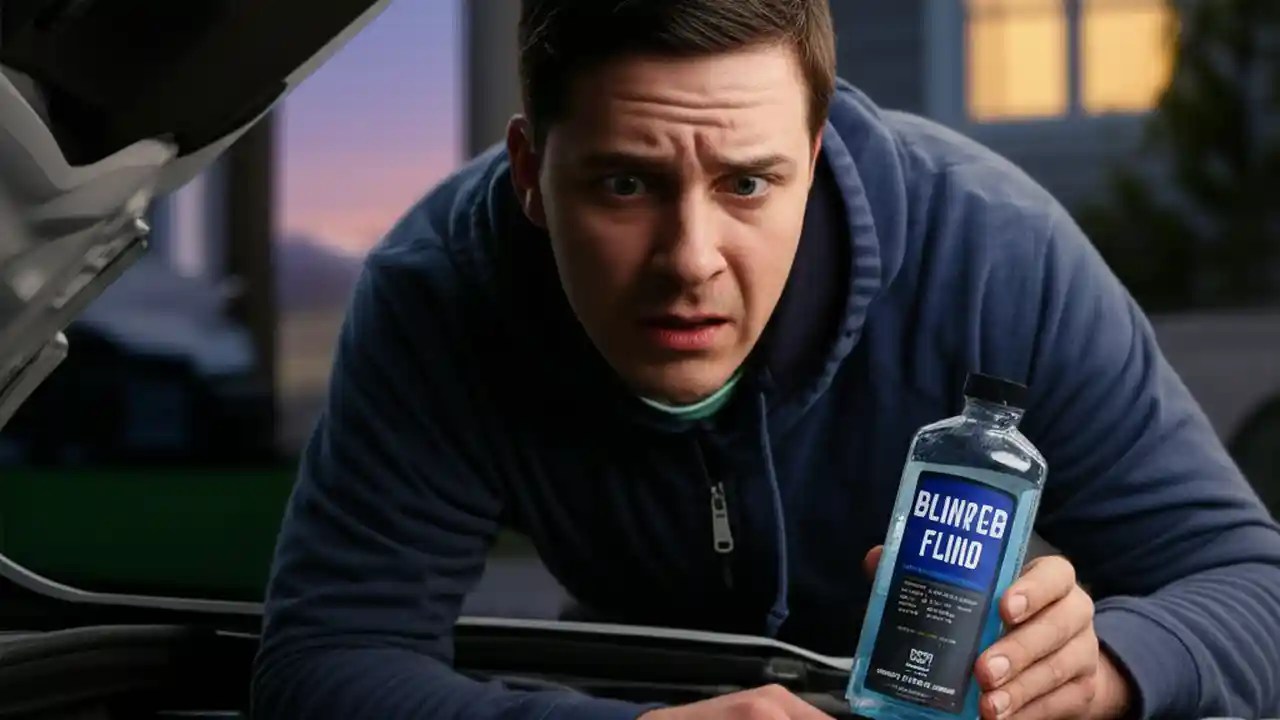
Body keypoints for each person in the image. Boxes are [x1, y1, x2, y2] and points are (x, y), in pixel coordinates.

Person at [251, 1, 1280, 718]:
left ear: (815, 150)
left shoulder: (994, 256)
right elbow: (323, 667)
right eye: (622, 186)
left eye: (747, 183)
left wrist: (1108, 667)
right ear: (529, 171)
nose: (688, 262)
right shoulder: (440, 292)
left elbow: (1253, 588)